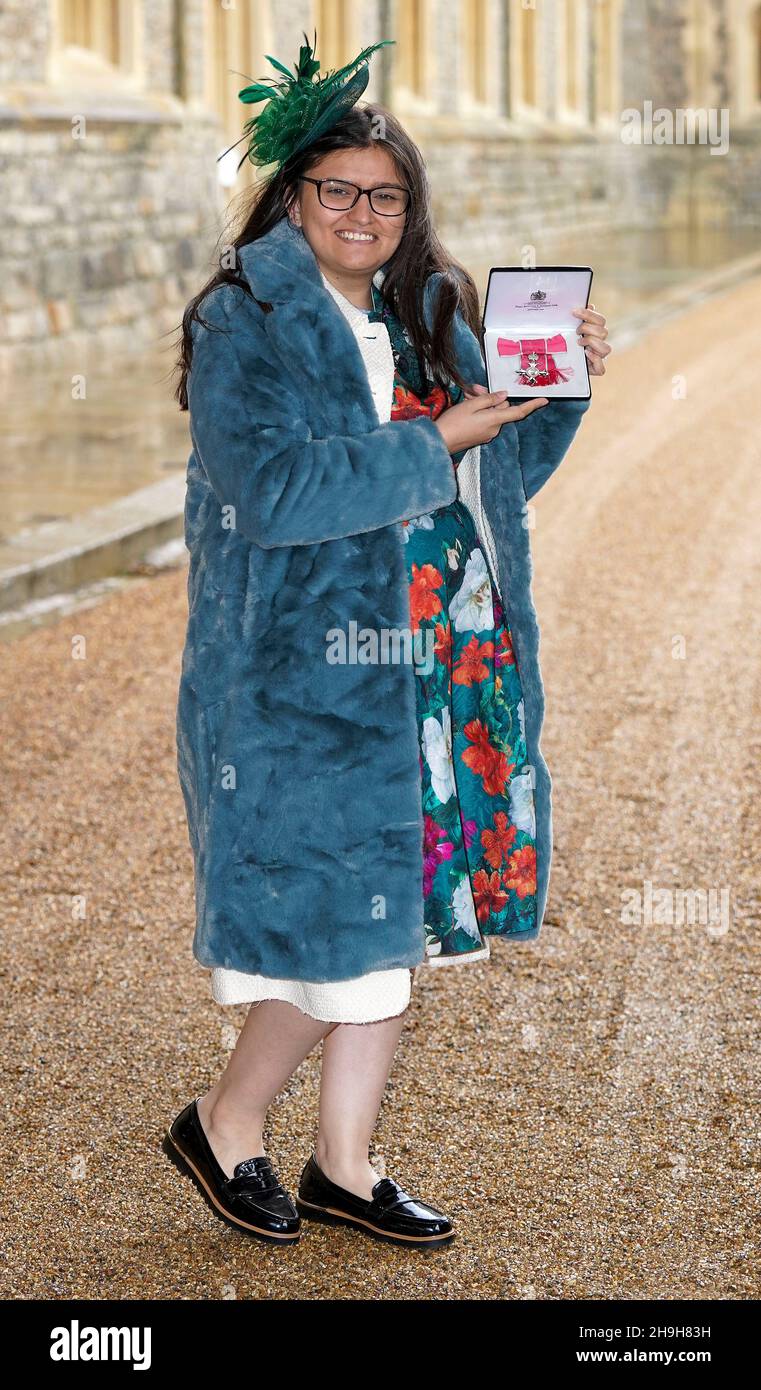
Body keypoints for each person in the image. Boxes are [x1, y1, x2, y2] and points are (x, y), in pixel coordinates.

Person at [164, 33, 611, 1248]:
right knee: (341, 943)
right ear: (292, 195)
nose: (361, 212)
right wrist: (441, 439)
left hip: (443, 660)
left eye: (384, 194)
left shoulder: (427, 311)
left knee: (397, 930)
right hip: (311, 678)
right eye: (336, 190)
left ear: (407, 209)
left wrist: (546, 395)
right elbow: (278, 494)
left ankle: (345, 1164)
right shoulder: (244, 325)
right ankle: (226, 1123)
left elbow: (496, 479)